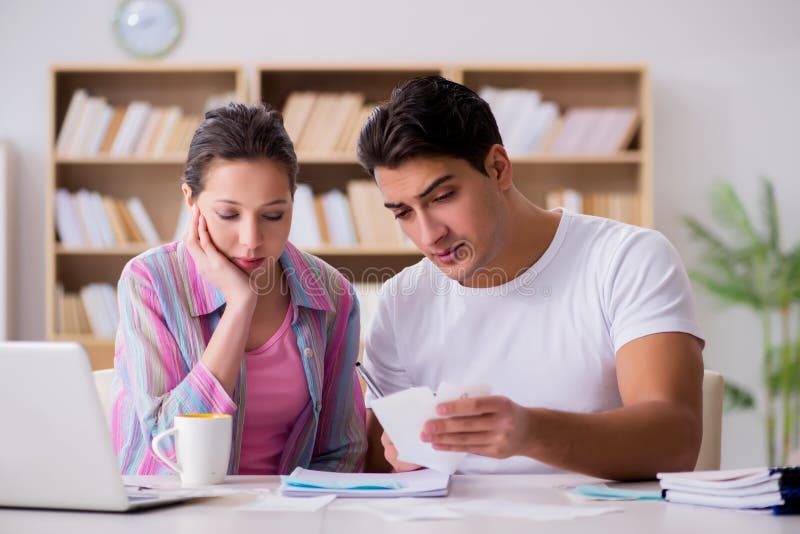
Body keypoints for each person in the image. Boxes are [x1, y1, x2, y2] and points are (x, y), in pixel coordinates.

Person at [356, 76, 705, 480]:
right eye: (402, 213)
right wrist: (403, 457)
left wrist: (531, 432)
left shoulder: (626, 260)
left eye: (442, 197)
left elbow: (675, 440)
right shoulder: (402, 299)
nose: (428, 233)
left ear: (498, 168)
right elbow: (379, 468)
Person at [110, 102, 366, 475]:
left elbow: (341, 451)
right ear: (191, 201)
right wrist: (240, 304)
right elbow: (171, 446)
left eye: (273, 215)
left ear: (294, 200)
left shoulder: (332, 294)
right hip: (171, 513)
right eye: (229, 215)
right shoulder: (149, 282)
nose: (252, 240)